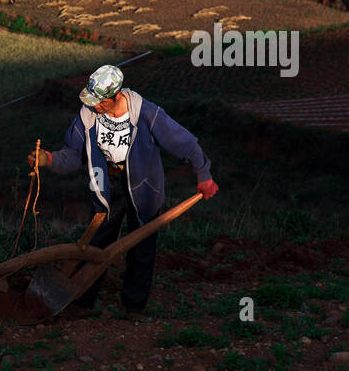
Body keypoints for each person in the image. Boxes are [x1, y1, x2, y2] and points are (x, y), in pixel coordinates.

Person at [27, 64, 218, 320]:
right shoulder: (87, 116)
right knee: (94, 244)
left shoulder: (146, 113)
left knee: (141, 248)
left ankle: (134, 309)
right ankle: (81, 303)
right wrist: (49, 159)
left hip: (144, 188)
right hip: (107, 187)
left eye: (100, 102)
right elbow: (73, 154)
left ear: (116, 95)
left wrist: (203, 174)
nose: (95, 106)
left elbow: (184, 142)